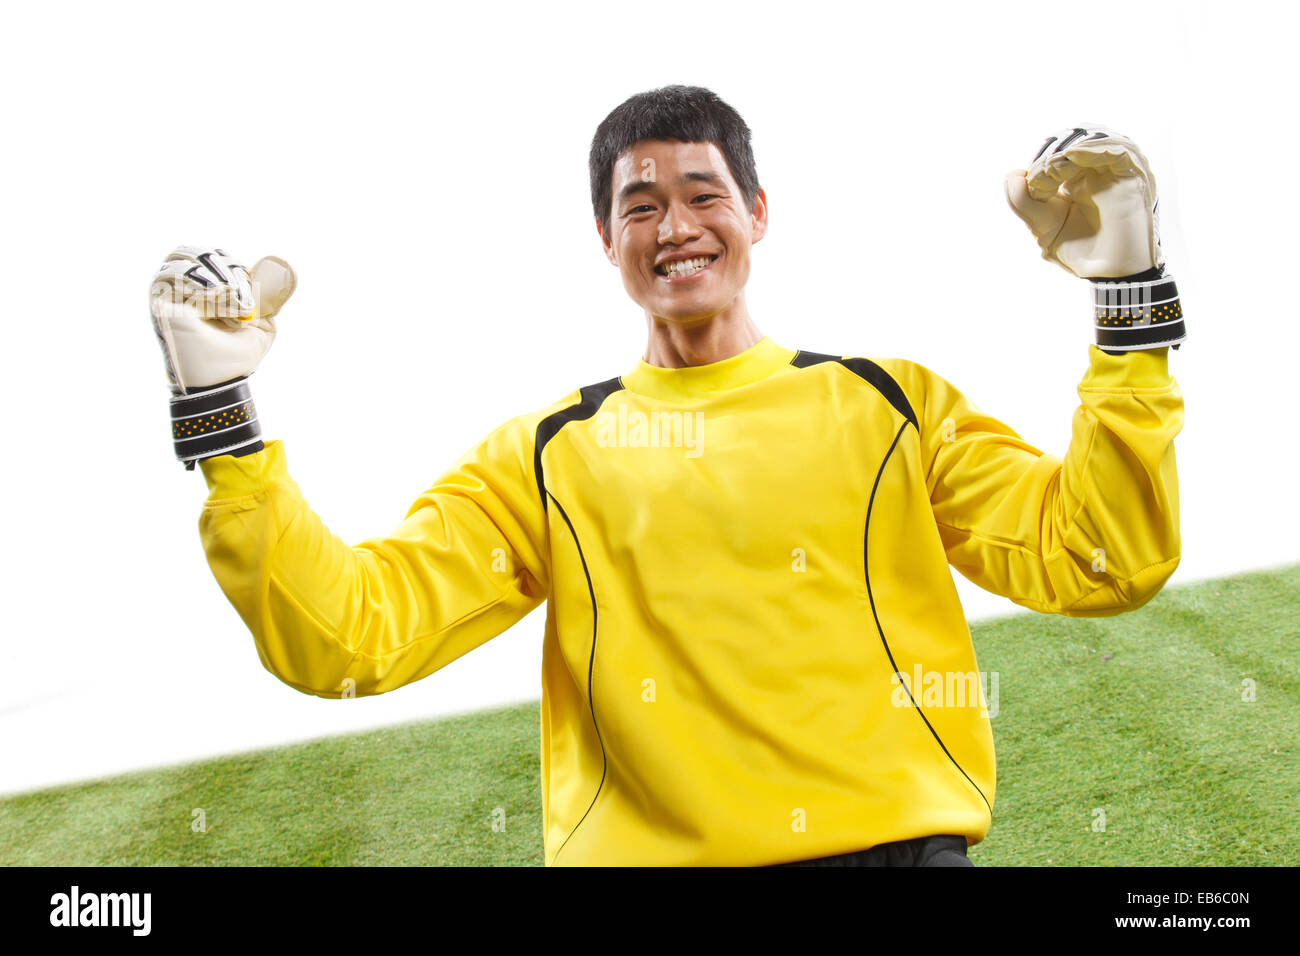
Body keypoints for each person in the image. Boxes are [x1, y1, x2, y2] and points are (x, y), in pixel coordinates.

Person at [149, 86, 1185, 867]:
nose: (675, 225)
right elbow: (349, 639)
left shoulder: (889, 404)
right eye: (639, 205)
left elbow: (1100, 559)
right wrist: (225, 427)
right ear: (605, 240)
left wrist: (1130, 301)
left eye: (702, 193)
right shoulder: (546, 454)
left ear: (758, 211)